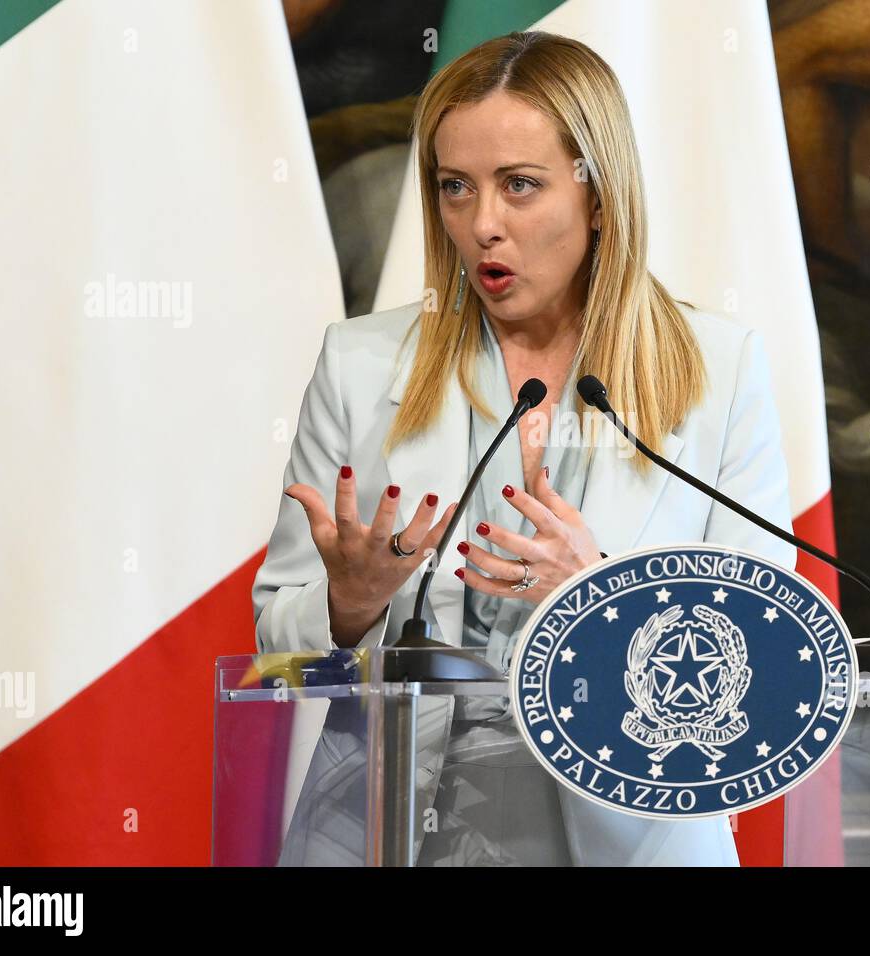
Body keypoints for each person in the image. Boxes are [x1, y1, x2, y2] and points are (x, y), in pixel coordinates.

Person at [252, 30, 796, 866]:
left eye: (520, 186)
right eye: (455, 188)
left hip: (631, 833)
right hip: (390, 831)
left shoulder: (719, 372)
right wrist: (347, 606)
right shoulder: (360, 366)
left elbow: (758, 667)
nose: (483, 225)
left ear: (599, 194)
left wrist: (604, 601)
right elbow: (275, 663)